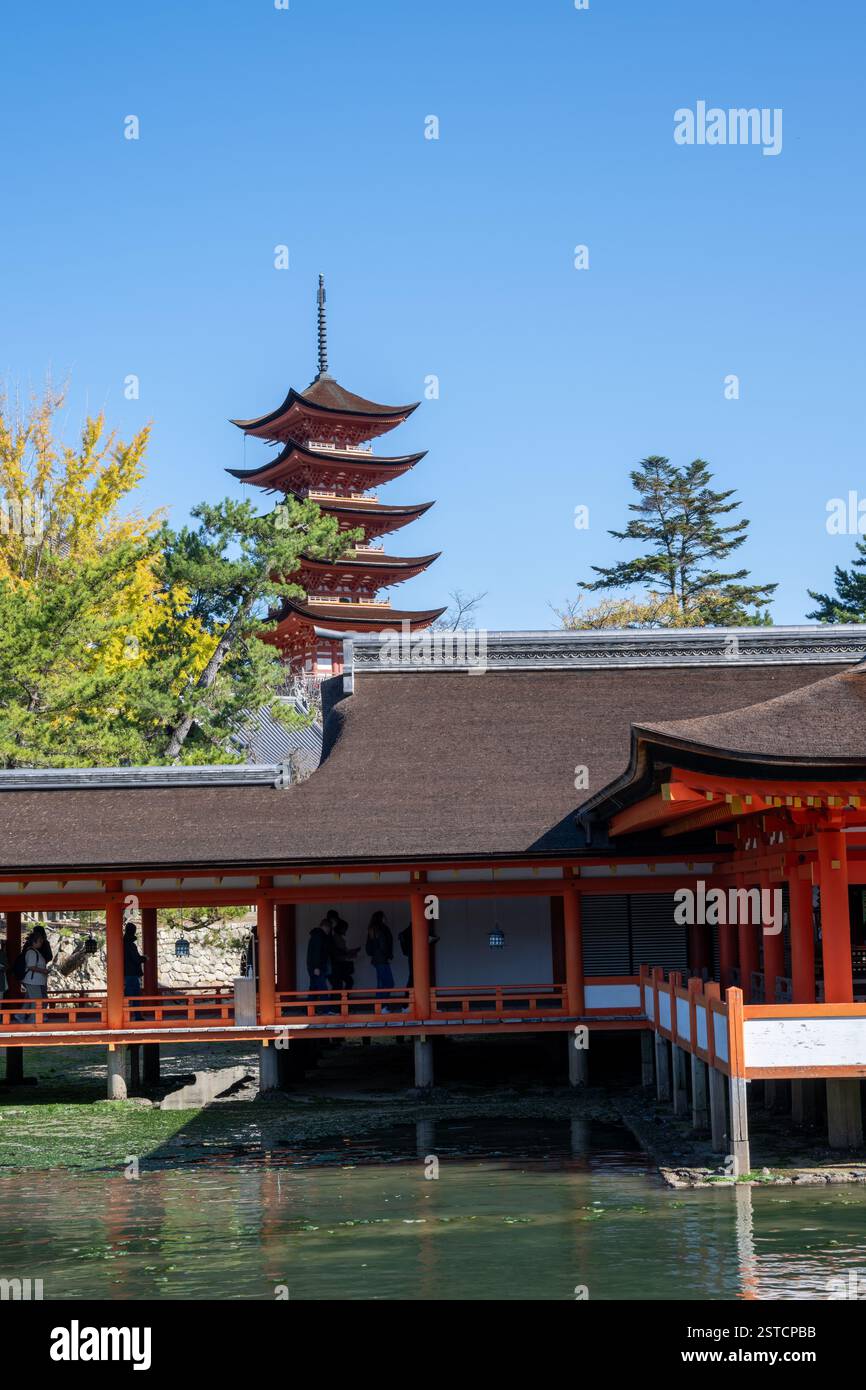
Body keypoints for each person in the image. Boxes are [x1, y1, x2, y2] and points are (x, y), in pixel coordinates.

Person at [14, 926, 51, 1023]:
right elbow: (31, 966)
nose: (41, 943)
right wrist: (44, 971)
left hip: (35, 980)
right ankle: (33, 1019)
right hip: (33, 980)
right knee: (37, 1000)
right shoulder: (31, 952)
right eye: (39, 941)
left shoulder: (35, 951)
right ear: (34, 942)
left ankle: (20, 1015)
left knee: (30, 999)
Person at [398, 921, 440, 988]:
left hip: (411, 955)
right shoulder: (421, 930)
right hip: (420, 955)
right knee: (420, 975)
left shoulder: (406, 932)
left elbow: (402, 941)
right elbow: (435, 938)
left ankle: (409, 994)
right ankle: (414, 993)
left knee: (413, 975)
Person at [366, 910, 394, 1003]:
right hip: (382, 959)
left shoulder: (371, 930)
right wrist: (388, 955)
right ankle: (382, 1005)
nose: (385, 918)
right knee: (389, 983)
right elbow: (384, 945)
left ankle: (380, 1006)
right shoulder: (383, 929)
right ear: (381, 918)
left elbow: (368, 947)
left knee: (381, 984)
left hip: (376, 959)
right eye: (384, 917)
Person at [329, 918, 359, 994]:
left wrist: (351, 952)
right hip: (338, 965)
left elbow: (343, 951)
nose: (346, 930)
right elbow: (339, 952)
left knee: (341, 984)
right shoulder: (337, 938)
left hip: (339, 964)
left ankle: (341, 1001)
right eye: (345, 928)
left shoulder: (337, 937)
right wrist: (349, 954)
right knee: (340, 985)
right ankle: (342, 1000)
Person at [307, 916, 333, 997]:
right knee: (322, 988)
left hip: (313, 966)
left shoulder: (316, 935)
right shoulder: (319, 936)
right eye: (329, 928)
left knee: (313, 988)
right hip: (318, 966)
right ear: (325, 926)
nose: (329, 930)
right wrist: (317, 967)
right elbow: (317, 952)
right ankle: (325, 1009)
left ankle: (309, 1008)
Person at [123, 922, 146, 996]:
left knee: (128, 994)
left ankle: (129, 1007)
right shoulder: (130, 945)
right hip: (132, 973)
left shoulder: (122, 943)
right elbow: (135, 959)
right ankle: (135, 1007)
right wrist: (144, 958)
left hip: (124, 973)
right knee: (135, 995)